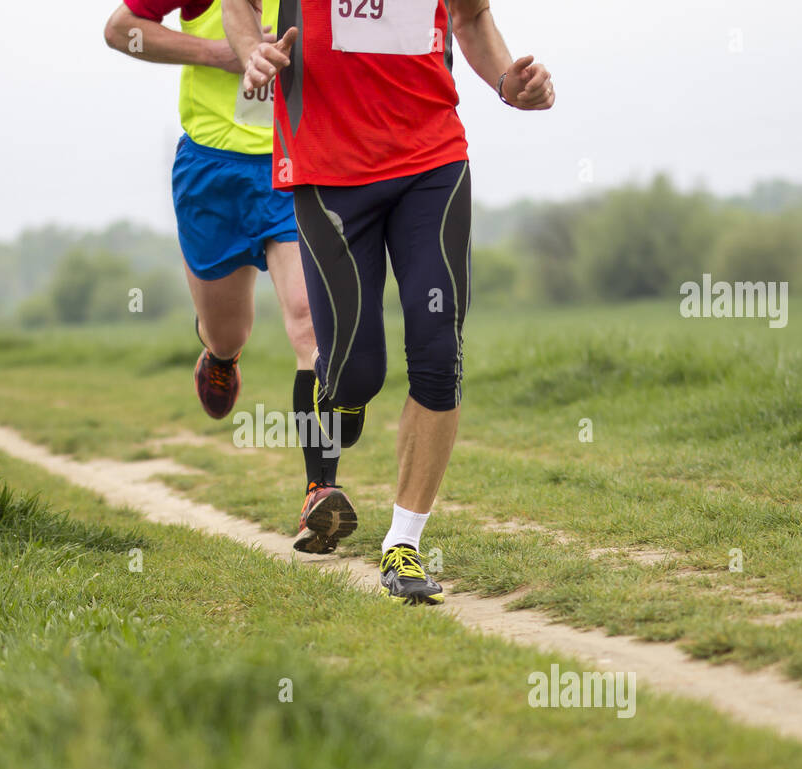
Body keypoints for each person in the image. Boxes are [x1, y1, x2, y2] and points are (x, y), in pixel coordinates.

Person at [225, 0, 555, 603]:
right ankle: (343, 397)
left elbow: (472, 19)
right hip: (327, 168)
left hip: (431, 160)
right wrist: (251, 50)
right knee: (354, 374)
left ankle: (403, 543)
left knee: (438, 348)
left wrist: (511, 83)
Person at [104, 0, 357, 554]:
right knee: (229, 331)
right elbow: (122, 31)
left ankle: (321, 489)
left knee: (309, 324)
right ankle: (219, 357)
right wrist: (220, 54)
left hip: (294, 166)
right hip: (212, 172)